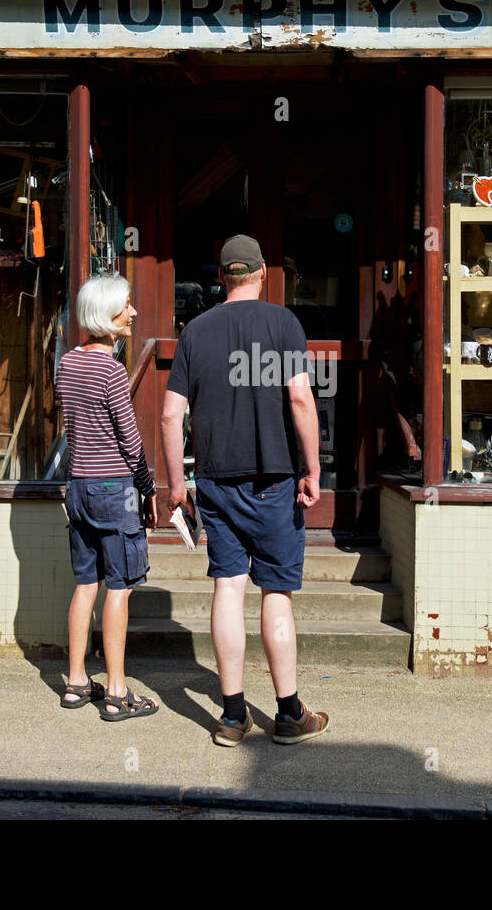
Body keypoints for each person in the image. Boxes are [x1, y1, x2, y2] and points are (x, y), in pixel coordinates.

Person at [160, 234, 328, 747]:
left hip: (215, 480)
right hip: (274, 481)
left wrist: (176, 485)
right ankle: (290, 713)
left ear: (221, 277)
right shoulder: (284, 323)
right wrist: (313, 468)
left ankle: (232, 717)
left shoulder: (194, 331)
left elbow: (170, 415)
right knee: (275, 592)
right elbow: (300, 399)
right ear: (262, 274)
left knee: (228, 588)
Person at [56, 274, 160, 721]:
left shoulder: (67, 364)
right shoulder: (111, 371)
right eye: (126, 306)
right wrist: (148, 487)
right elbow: (131, 442)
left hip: (78, 487)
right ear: (106, 314)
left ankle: (77, 682)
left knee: (86, 584)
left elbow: (73, 428)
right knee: (120, 587)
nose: (133, 312)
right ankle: (117, 692)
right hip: (114, 489)